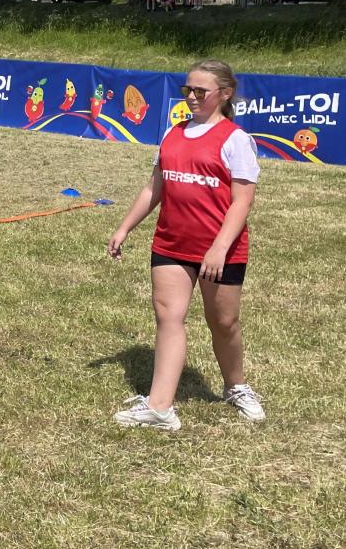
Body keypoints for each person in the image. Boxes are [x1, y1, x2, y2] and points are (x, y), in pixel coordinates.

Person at [106, 59, 264, 431]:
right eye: (187, 90)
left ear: (224, 94)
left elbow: (241, 202)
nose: (191, 97)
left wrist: (219, 248)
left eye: (200, 91)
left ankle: (236, 386)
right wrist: (124, 227)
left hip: (220, 250)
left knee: (223, 322)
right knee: (168, 317)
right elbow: (155, 187)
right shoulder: (172, 134)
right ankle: (160, 407)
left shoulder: (236, 140)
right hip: (171, 244)